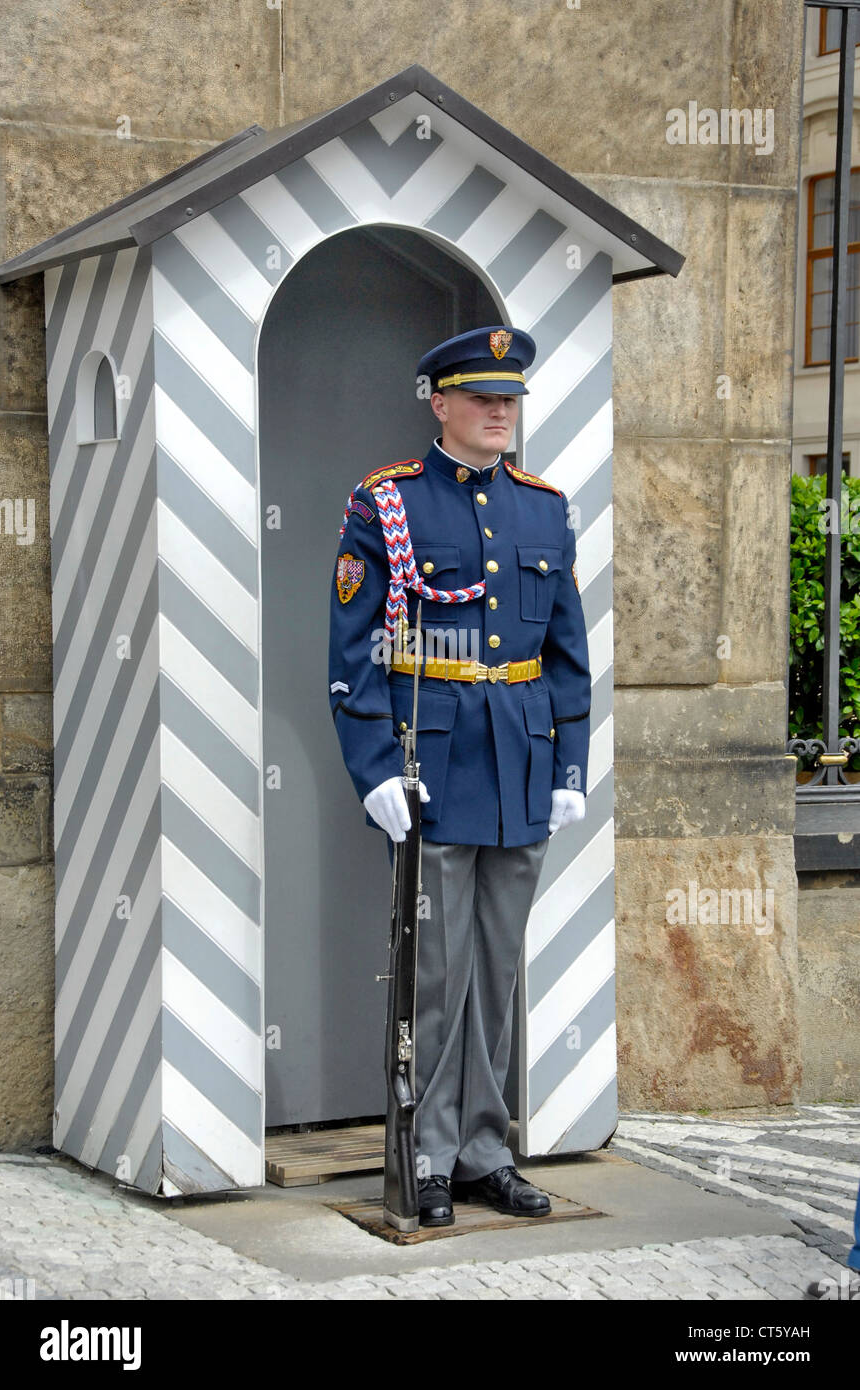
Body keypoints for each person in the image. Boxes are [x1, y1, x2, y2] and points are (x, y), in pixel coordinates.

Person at [328, 326, 592, 1226]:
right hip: (431, 763)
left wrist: (569, 761)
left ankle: (485, 1150)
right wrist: (371, 766)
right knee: (434, 974)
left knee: (497, 969)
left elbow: (566, 655)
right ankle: (427, 1151)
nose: (499, 411)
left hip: (520, 763)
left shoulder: (545, 508)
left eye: (509, 397)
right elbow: (355, 651)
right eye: (481, 397)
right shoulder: (388, 505)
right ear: (438, 402)